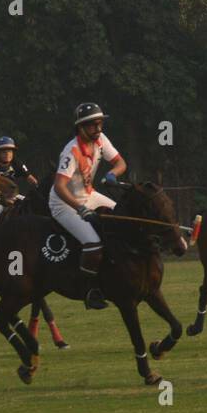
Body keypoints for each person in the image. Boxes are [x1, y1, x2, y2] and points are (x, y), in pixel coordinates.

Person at [49, 102, 127, 309]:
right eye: (92, 125)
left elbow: (121, 163)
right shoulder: (71, 151)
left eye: (99, 123)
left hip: (89, 194)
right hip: (64, 203)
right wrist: (81, 209)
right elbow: (59, 186)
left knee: (122, 218)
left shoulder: (101, 140)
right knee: (93, 243)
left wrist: (112, 174)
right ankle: (89, 290)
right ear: (80, 127)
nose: (98, 128)